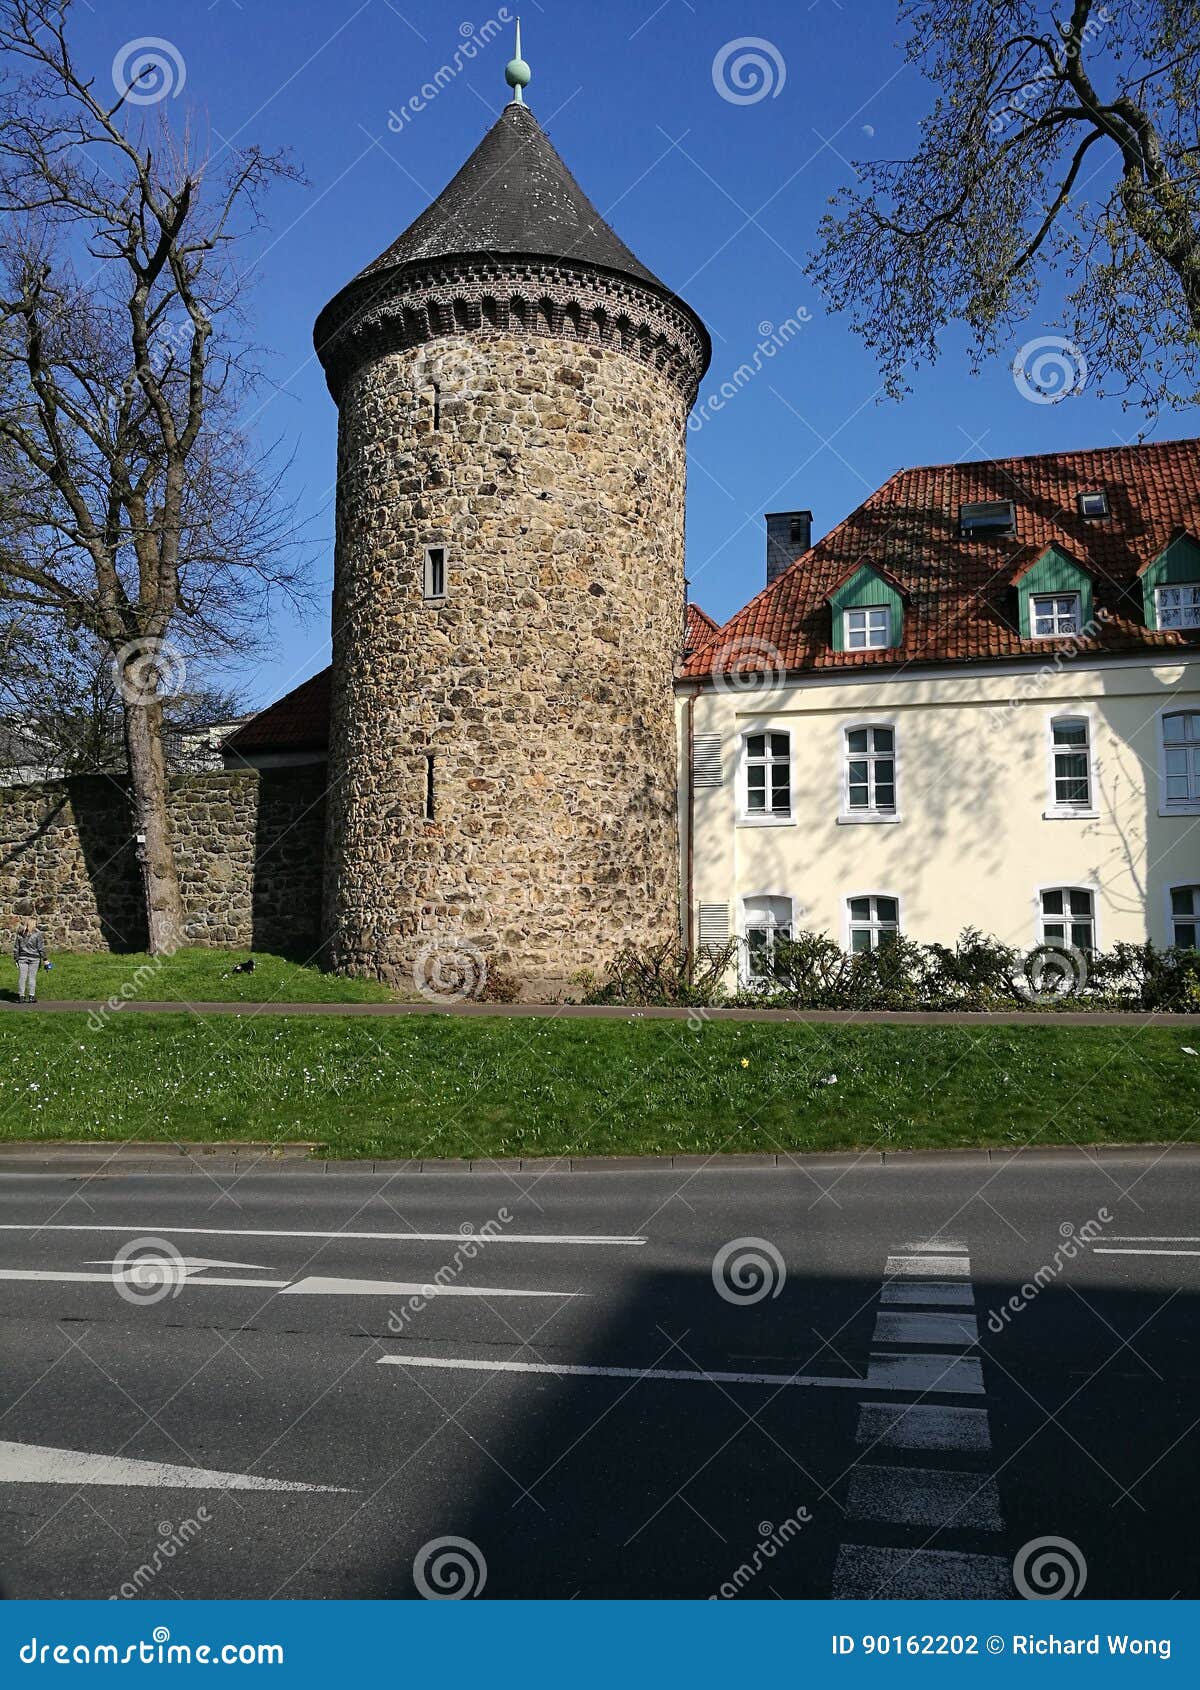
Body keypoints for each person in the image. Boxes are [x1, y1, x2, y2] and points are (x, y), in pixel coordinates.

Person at [12, 918, 48, 1004]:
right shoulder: (37, 934)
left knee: (22, 977)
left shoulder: (20, 934)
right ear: (34, 924)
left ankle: (21, 997)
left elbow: (16, 948)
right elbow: (40, 948)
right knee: (32, 978)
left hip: (22, 958)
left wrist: (16, 959)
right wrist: (45, 959)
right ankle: (31, 996)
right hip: (34, 958)